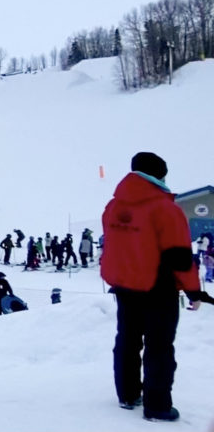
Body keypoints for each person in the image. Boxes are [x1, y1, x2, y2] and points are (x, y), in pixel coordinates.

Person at [101, 152, 202, 421]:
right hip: (158, 288)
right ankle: (157, 406)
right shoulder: (165, 209)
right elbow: (179, 256)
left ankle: (128, 394)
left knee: (127, 339)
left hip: (124, 286)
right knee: (159, 345)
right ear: (159, 175)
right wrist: (193, 290)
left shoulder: (113, 207)